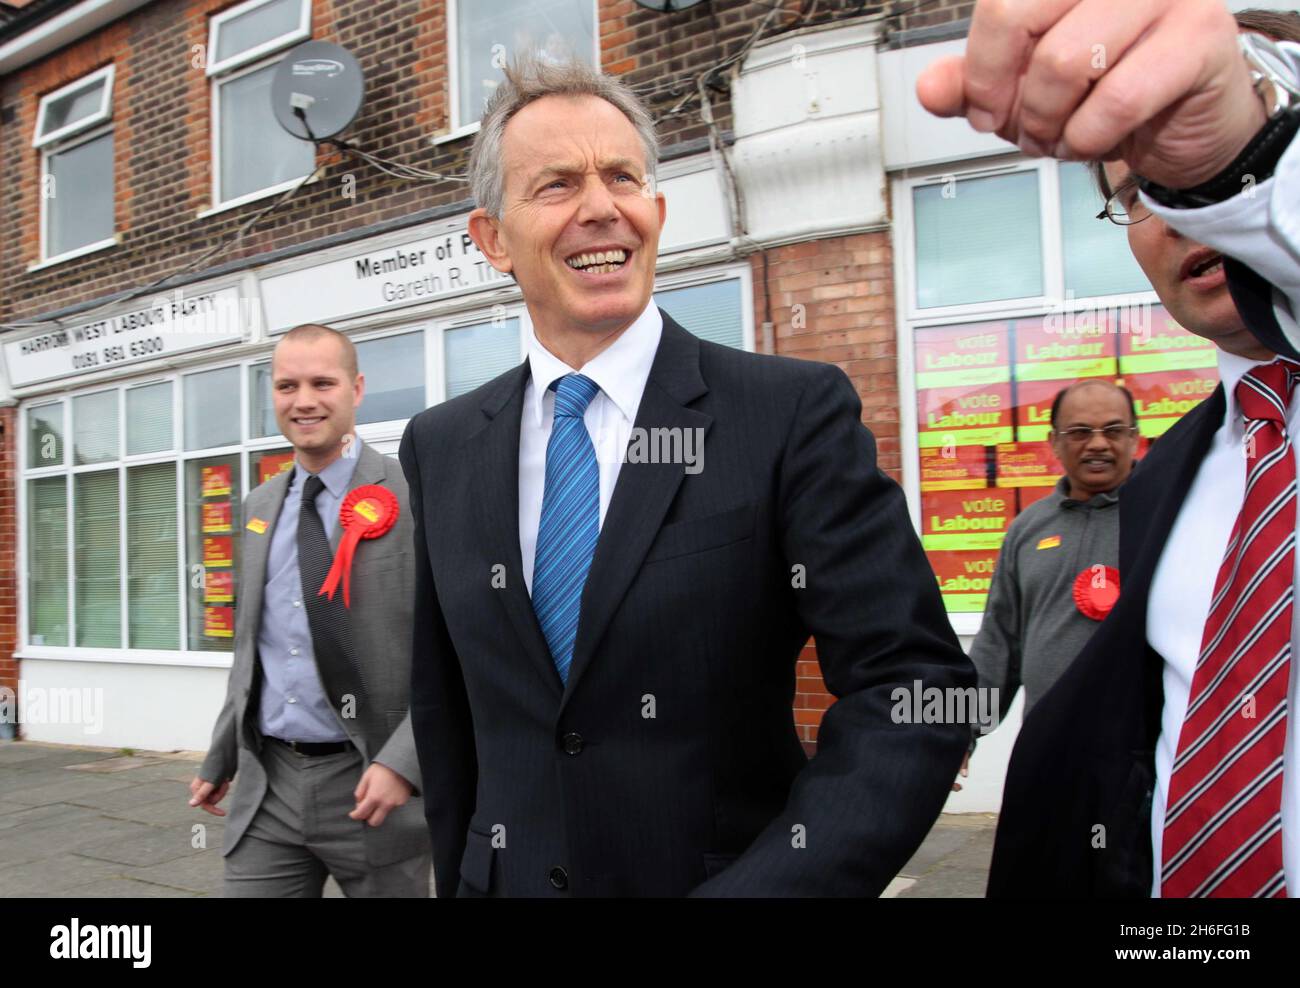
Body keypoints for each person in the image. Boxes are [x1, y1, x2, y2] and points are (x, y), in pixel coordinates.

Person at [399, 58, 975, 897]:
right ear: (492, 239)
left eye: (622, 176)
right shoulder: (441, 445)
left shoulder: (785, 413)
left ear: (657, 213)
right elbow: (447, 713)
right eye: (557, 184)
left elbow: (914, 687)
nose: (602, 206)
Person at [919, 0, 1300, 896]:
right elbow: (998, 664)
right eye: (1135, 192)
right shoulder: (1165, 491)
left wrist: (1246, 161)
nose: (1172, 208)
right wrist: (940, 738)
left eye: (1189, 171)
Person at [189, 324, 431, 897]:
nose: (303, 401)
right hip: (267, 786)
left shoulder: (417, 493)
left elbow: (457, 649)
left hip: (373, 786)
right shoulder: (257, 507)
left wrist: (405, 763)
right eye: (286, 386)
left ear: (357, 388)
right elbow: (251, 650)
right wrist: (219, 757)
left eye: (322, 383)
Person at [961, 381, 1138, 768]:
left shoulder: (1164, 513)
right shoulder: (1028, 529)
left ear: (1134, 438)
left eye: (1113, 430)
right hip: (1048, 749)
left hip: (1143, 755)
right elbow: (998, 645)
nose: (1097, 444)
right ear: (1054, 442)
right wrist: (961, 733)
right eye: (1079, 432)